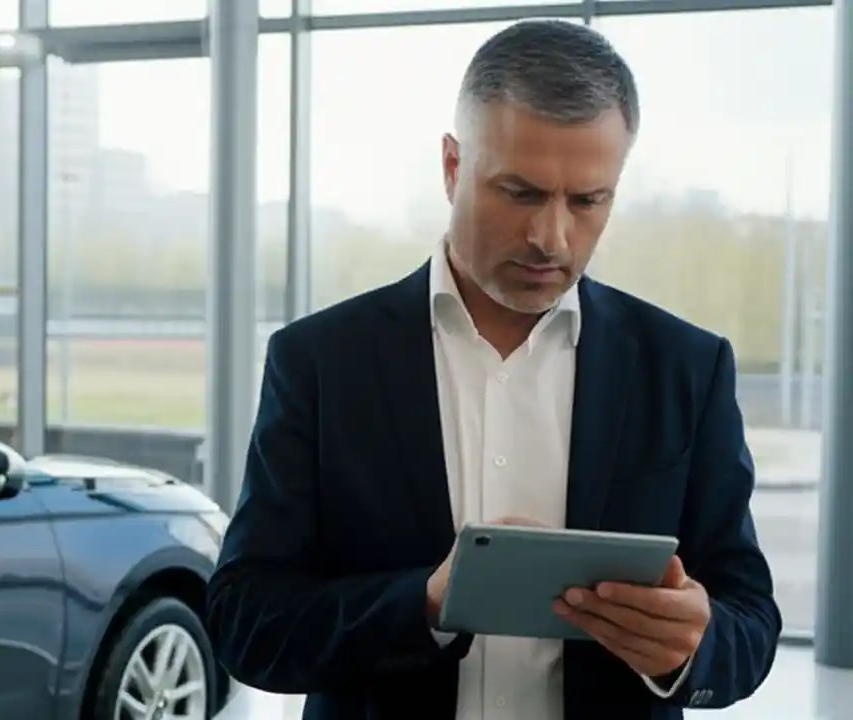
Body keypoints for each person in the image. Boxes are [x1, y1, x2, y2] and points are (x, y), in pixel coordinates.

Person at [205, 18, 781, 720]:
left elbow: (749, 623)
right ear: (452, 167)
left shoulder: (687, 369)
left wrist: (692, 645)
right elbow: (246, 623)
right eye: (521, 192)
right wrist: (427, 603)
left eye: (587, 200)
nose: (551, 236)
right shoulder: (320, 363)